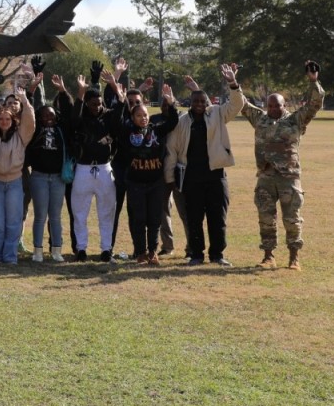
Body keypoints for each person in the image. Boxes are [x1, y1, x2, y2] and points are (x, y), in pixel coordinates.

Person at [239, 60, 325, 270]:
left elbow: (315, 104)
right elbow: (240, 103)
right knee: (266, 218)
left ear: (284, 105)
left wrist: (313, 81)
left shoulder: (296, 120)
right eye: (270, 105)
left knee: (292, 219)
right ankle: (268, 256)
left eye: (277, 105)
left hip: (288, 179)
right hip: (266, 178)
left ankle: (294, 257)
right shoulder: (259, 119)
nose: (273, 109)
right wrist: (233, 82)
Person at [164, 63, 246, 267]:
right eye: (196, 101)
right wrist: (170, 178)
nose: (200, 104)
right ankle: (196, 255)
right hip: (191, 177)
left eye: (202, 101)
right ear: (190, 102)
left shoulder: (217, 113)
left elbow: (237, 105)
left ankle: (217, 254)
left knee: (218, 218)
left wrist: (233, 83)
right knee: (194, 219)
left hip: (216, 175)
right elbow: (172, 150)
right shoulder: (182, 121)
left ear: (206, 102)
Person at [110, 79, 179, 264]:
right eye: (139, 115)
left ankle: (152, 252)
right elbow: (116, 123)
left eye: (146, 115)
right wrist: (121, 101)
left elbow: (173, 121)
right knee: (139, 219)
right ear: (132, 118)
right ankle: (140, 252)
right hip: (135, 183)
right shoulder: (127, 131)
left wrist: (171, 103)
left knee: (154, 220)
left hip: (156, 182)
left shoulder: (156, 130)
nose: (144, 118)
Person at [68, 62, 120, 262]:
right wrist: (81, 94)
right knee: (79, 212)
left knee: (106, 212)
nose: (97, 106)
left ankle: (106, 249)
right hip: (83, 169)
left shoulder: (108, 116)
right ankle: (81, 248)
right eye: (92, 104)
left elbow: (120, 112)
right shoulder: (80, 117)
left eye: (99, 103)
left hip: (105, 169)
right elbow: (73, 120)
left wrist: (112, 85)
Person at [0, 76, 38, 264]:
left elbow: (30, 122)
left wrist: (24, 100)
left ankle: (10, 256)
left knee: (13, 222)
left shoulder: (21, 136)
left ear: (13, 120)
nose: (4, 121)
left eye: (8, 118)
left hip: (15, 182)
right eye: (1, 118)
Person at [26, 75, 74, 263]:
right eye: (45, 115)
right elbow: (27, 110)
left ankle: (56, 249)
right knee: (40, 215)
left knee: (55, 216)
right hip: (38, 176)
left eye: (52, 116)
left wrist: (62, 91)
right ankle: (37, 250)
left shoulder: (61, 129)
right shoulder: (35, 128)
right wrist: (32, 88)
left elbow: (69, 110)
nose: (49, 118)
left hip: (57, 178)